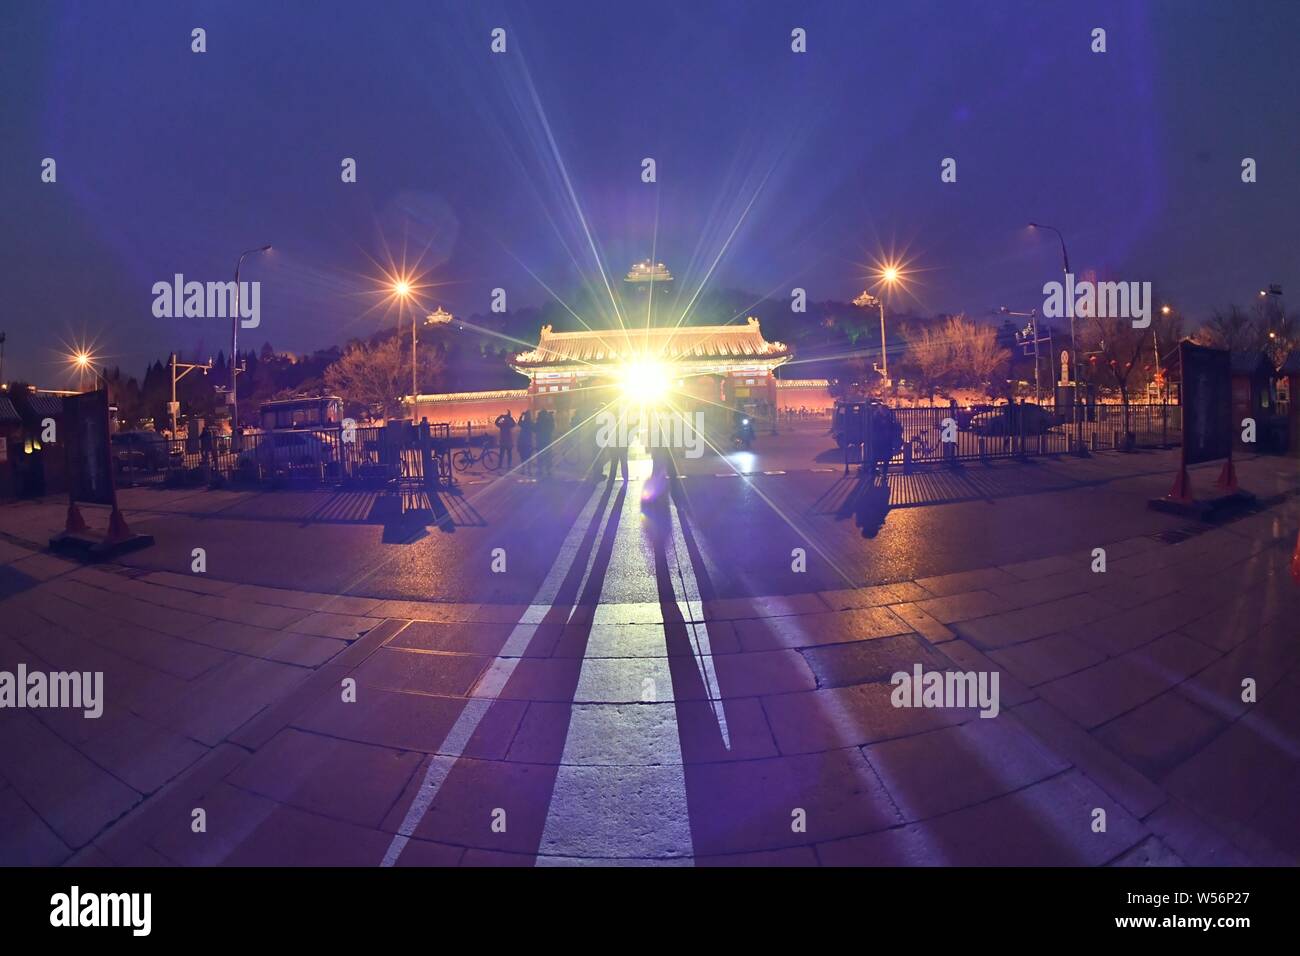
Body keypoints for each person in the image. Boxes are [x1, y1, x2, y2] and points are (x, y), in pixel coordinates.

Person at [535, 409, 555, 477]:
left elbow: (535, 429)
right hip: (547, 441)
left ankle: (540, 469)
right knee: (548, 456)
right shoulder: (548, 421)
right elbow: (552, 427)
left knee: (540, 456)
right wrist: (551, 417)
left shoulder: (539, 422)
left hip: (540, 441)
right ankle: (548, 470)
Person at [517, 410, 534, 475]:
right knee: (529, 457)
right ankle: (529, 471)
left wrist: (521, 416)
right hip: (528, 442)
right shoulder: (531, 423)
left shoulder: (523, 423)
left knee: (523, 457)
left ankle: (523, 470)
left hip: (522, 441)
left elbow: (519, 422)